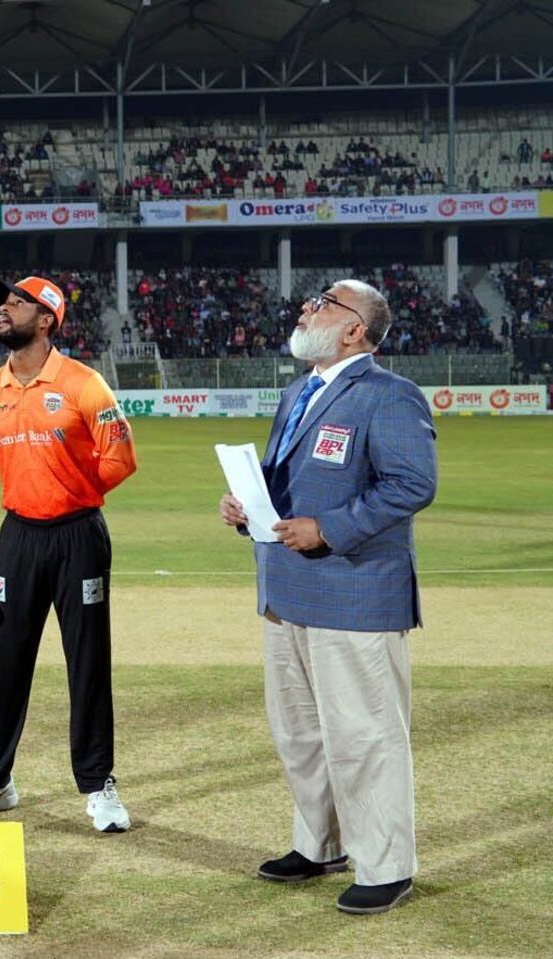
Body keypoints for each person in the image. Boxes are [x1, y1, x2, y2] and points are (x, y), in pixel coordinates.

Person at [218, 279, 437, 915]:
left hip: (355, 592)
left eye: (325, 302)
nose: (307, 306)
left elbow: (411, 484)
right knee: (302, 735)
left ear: (355, 330)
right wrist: (248, 508)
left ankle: (388, 866)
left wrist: (330, 529)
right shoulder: (298, 392)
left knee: (365, 736)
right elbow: (287, 481)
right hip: (287, 590)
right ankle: (319, 845)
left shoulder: (390, 395)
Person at [0, 276, 138, 833]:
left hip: (79, 537)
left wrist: (77, 493)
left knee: (87, 663)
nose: (4, 309)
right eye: (3, 303)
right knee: (6, 663)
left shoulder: (84, 383)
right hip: (20, 539)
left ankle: (98, 785)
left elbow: (120, 457)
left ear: (47, 319)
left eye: (17, 303)